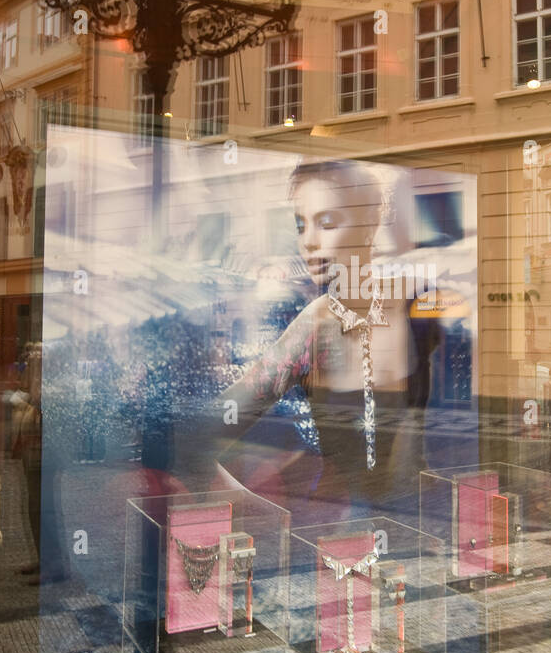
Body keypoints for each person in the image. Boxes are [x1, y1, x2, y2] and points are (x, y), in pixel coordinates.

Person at [187, 159, 444, 521]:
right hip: (347, 529)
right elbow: (197, 436)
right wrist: (267, 515)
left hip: (425, 523)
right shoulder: (313, 327)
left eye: (327, 222)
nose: (308, 242)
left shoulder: (414, 303)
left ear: (370, 224)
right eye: (300, 225)